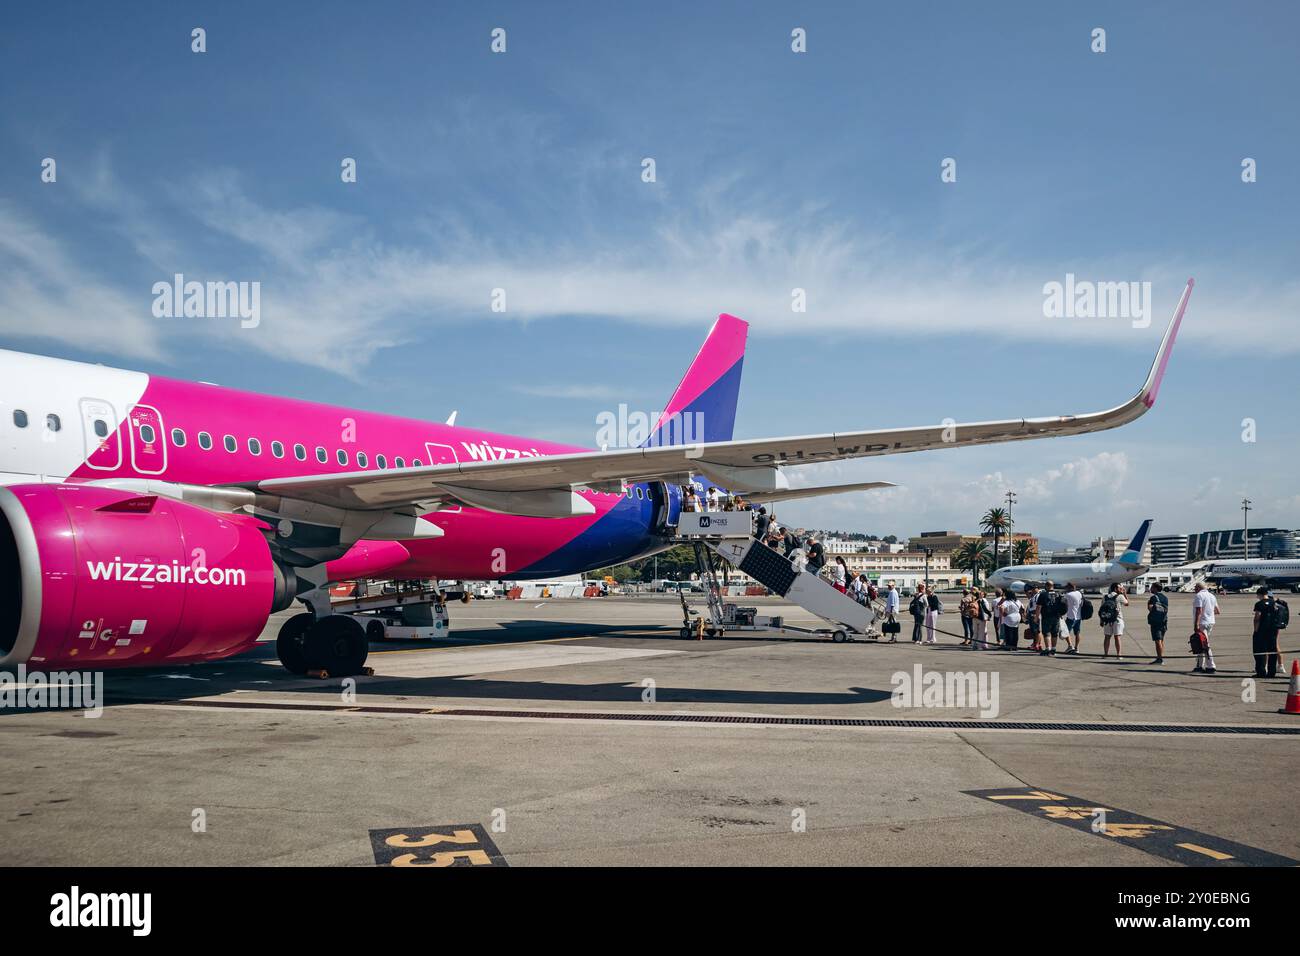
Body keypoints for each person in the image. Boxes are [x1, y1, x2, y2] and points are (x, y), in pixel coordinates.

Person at [1252, 585, 1282, 678]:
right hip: (1273, 630)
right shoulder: (1274, 603)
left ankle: (1261, 672)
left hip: (1262, 630)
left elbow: (1257, 618)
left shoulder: (1259, 604)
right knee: (1272, 651)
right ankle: (1271, 672)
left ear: (1260, 594)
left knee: (1259, 651)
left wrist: (1256, 630)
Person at [1191, 581, 1218, 673]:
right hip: (1210, 622)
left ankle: (1211, 665)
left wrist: (1196, 624)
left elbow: (1199, 610)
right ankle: (1199, 665)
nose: (1194, 589)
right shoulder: (1212, 596)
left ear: (1199, 588)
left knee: (1205, 644)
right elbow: (1217, 610)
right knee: (1200, 643)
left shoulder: (1199, 596)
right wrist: (1209, 613)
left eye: (1195, 587)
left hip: (1202, 623)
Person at [1035, 580, 1065, 657]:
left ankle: (1048, 648)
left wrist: (1036, 617)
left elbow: (1039, 607)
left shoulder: (1043, 594)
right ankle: (1054, 649)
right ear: (1053, 586)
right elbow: (1062, 605)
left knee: (1046, 632)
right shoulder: (1058, 594)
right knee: (1054, 633)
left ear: (1046, 586)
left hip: (1046, 616)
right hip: (1056, 616)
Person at [1099, 583, 1129, 659]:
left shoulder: (1105, 597)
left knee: (1107, 637)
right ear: (1115, 589)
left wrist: (1101, 620)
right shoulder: (1120, 596)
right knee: (1117, 637)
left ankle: (1105, 654)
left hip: (1107, 619)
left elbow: (1102, 609)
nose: (1121, 589)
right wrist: (1125, 593)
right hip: (1117, 619)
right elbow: (1127, 603)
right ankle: (1118, 655)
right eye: (1119, 588)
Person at [1146, 581, 1169, 665]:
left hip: (1156, 622)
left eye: (1152, 587)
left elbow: (1150, 608)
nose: (1151, 589)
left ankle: (1159, 659)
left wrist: (1148, 604)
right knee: (1161, 640)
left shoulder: (1153, 597)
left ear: (1155, 588)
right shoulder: (1165, 597)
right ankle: (1160, 656)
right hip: (1163, 621)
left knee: (1157, 640)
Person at [1064, 582, 1084, 654]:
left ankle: (1070, 646)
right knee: (1077, 633)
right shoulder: (1079, 593)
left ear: (1070, 588)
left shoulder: (1067, 595)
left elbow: (1064, 604)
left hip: (1070, 616)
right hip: (1078, 617)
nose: (1066, 589)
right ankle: (1076, 648)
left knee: (1065, 632)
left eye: (1067, 587)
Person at [1023, 585, 1041, 651]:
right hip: (1032, 614)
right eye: (1032, 589)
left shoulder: (1038, 596)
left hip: (1034, 614)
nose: (1032, 590)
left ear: (1038, 588)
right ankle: (1036, 644)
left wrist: (1035, 615)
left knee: (1036, 631)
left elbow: (1038, 606)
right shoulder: (1034, 596)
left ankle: (1037, 644)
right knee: (1034, 631)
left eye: (1034, 588)